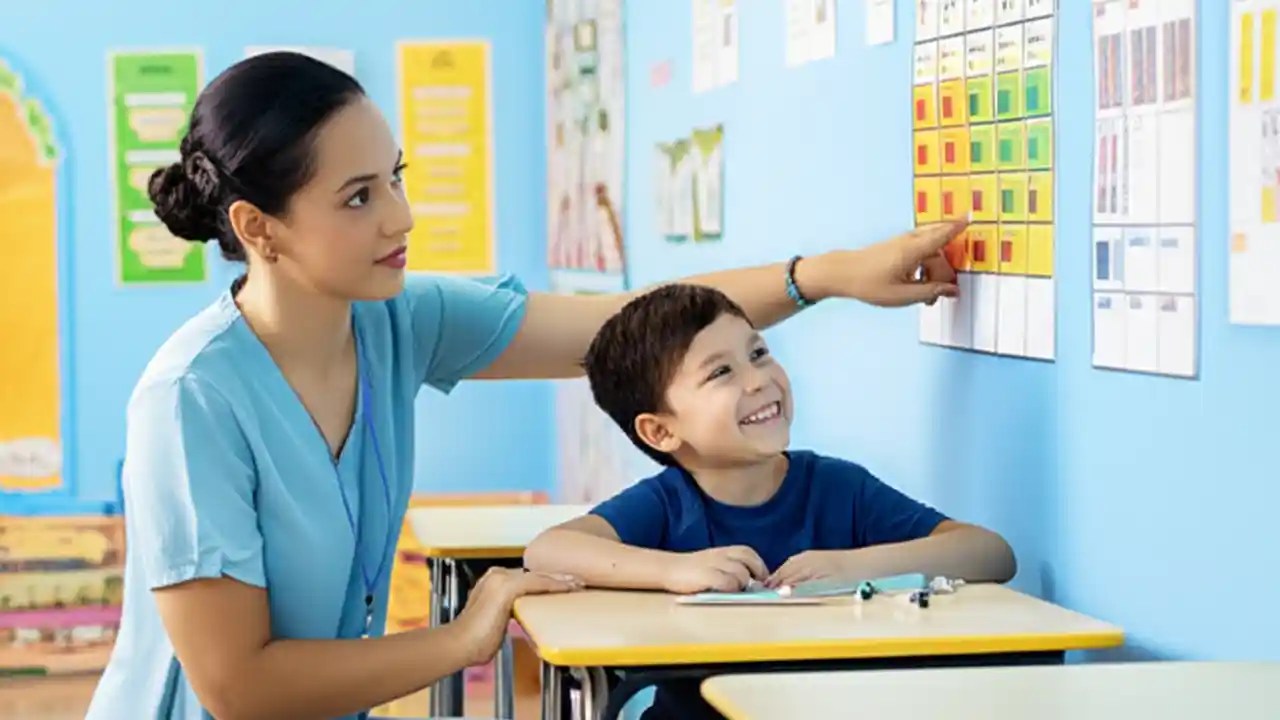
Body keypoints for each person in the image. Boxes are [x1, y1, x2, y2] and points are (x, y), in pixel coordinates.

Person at [85, 51, 965, 720]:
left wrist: (835, 275)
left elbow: (627, 327)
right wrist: (464, 639)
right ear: (257, 227)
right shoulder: (191, 400)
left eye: (395, 177)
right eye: (357, 197)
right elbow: (240, 685)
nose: (401, 215)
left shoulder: (398, 319)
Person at [524, 284, 1016, 719]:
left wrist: (852, 568)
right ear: (661, 430)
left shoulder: (838, 488)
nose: (758, 380)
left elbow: (989, 553)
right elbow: (548, 551)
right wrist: (675, 571)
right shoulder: (667, 505)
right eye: (720, 372)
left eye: (758, 353)